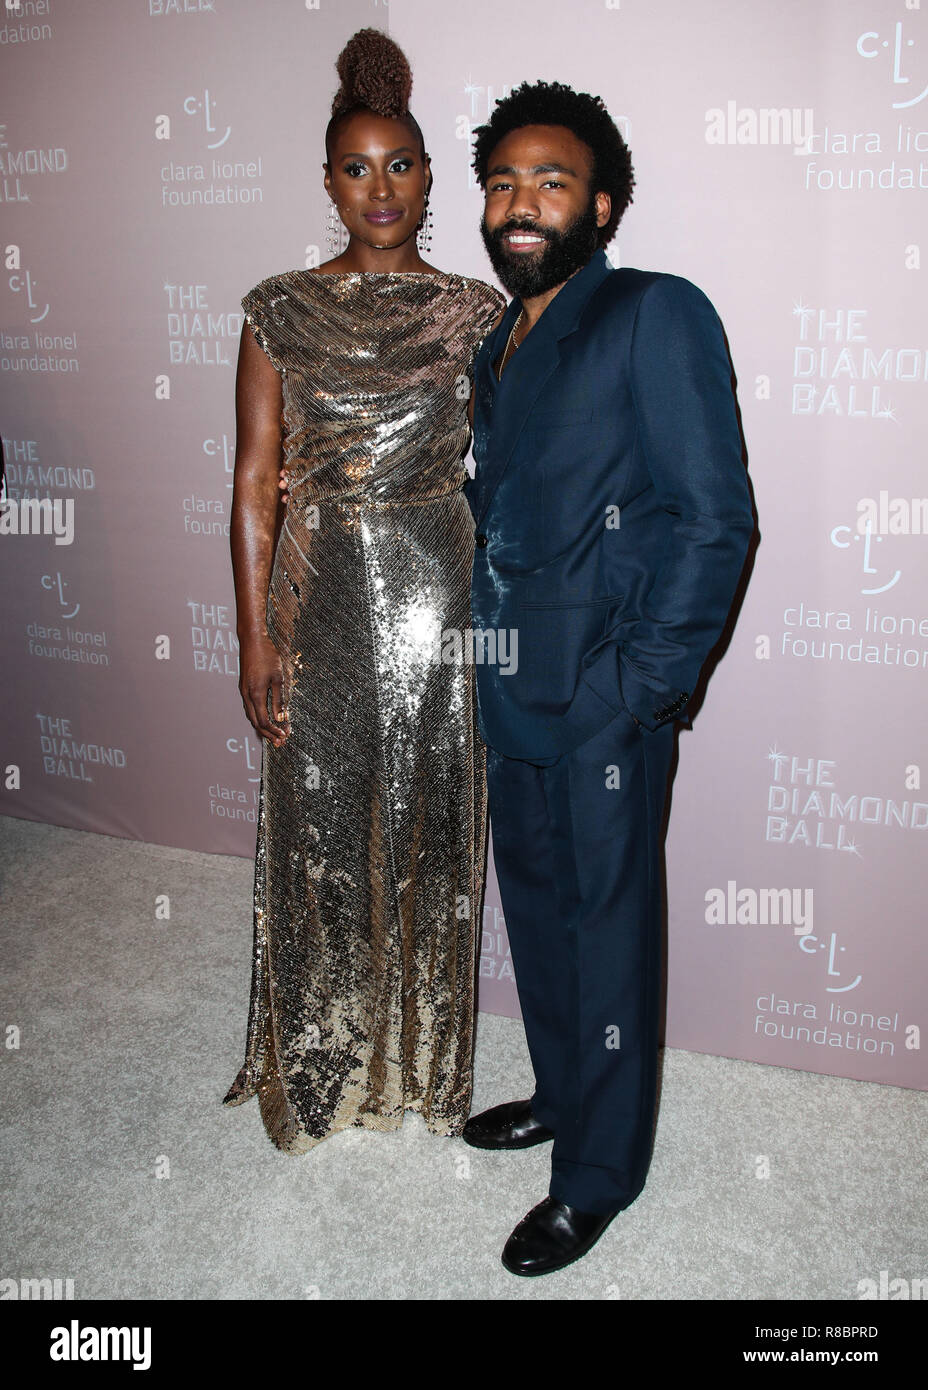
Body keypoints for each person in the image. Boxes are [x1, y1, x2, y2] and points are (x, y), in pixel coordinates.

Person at [460, 80, 755, 1275]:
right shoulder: (497, 337)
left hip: (602, 697)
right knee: (536, 908)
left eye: (550, 182)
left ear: (604, 204)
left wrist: (636, 688)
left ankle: (599, 1172)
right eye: (501, 182)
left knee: (608, 926)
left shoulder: (653, 312)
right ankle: (561, 1088)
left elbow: (713, 518)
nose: (519, 204)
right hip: (509, 684)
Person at [222, 28, 506, 1155]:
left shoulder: (477, 314)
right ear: (327, 180)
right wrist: (255, 640)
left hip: (443, 598)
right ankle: (321, 1055)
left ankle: (418, 1057)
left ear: (429, 179)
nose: (378, 188)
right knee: (321, 825)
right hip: (321, 591)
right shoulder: (277, 309)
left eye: (400, 165)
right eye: (356, 167)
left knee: (432, 832)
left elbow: (519, 475)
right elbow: (252, 484)